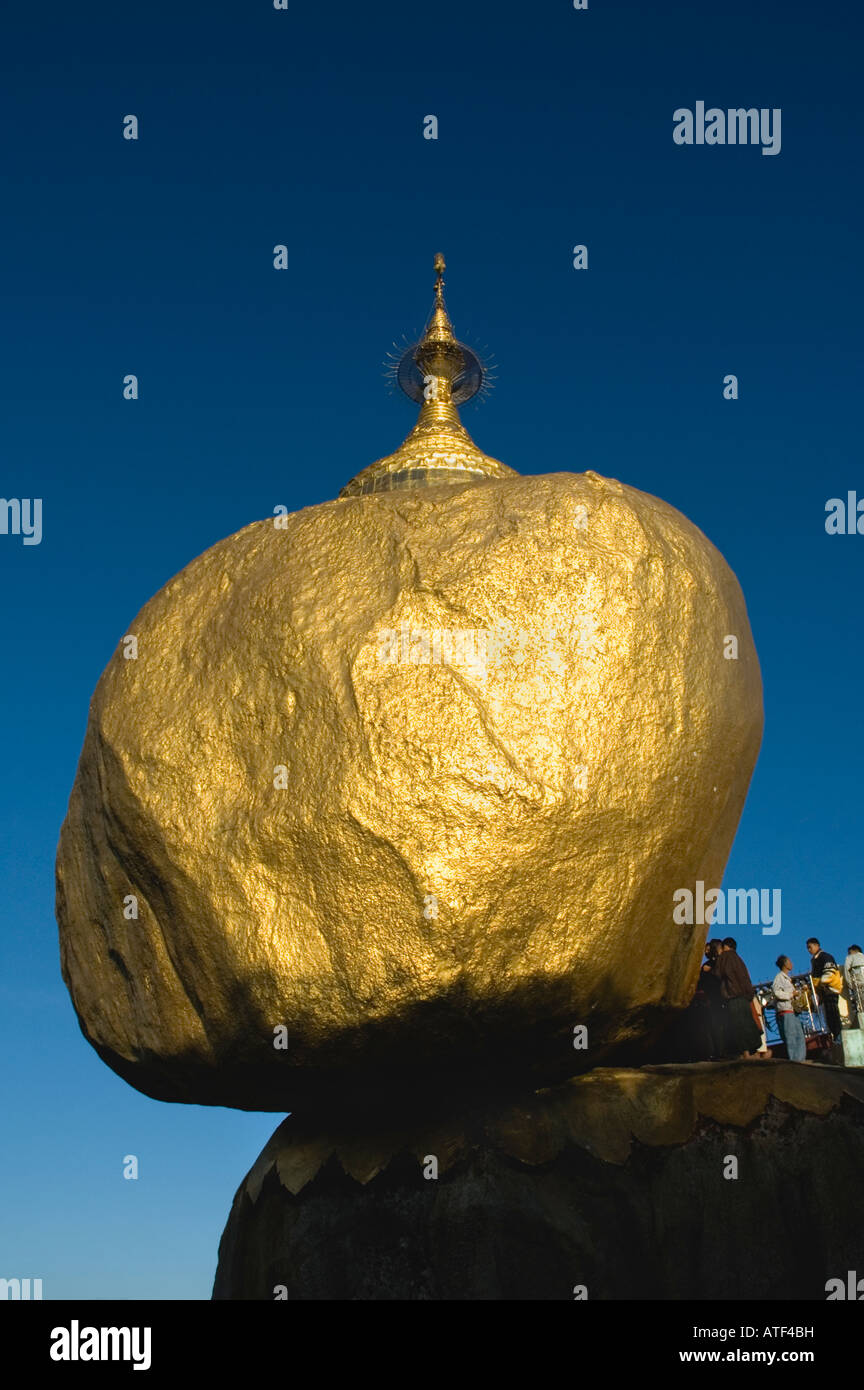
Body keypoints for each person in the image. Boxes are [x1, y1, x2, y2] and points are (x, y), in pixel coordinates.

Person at [714, 937, 763, 1058]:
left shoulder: (724, 957)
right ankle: (755, 1052)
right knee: (748, 1023)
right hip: (744, 996)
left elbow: (717, 974)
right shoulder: (739, 959)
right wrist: (749, 994)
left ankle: (745, 1053)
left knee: (738, 1025)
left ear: (725, 946)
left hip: (732, 996)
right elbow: (744, 978)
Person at [771, 955, 807, 1062]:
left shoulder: (787, 978)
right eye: (789, 961)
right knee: (791, 1037)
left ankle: (800, 1059)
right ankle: (795, 1060)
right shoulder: (779, 978)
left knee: (799, 1036)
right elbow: (777, 992)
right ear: (785, 964)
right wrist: (791, 994)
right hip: (786, 1011)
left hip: (792, 1010)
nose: (791, 963)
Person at [806, 937, 842, 1042]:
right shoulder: (814, 959)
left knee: (833, 1014)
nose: (809, 950)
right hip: (823, 992)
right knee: (829, 1016)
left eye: (810, 947)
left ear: (817, 945)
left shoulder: (825, 956)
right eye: (807, 948)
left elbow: (829, 973)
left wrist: (819, 982)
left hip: (830, 990)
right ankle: (835, 1037)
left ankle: (838, 1037)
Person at [700, 939, 727, 1058]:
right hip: (714, 998)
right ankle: (719, 1051)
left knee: (719, 1025)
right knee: (716, 1025)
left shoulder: (713, 964)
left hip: (719, 997)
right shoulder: (708, 965)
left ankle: (721, 1051)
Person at [844, 945, 864, 1022]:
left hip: (858, 980)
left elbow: (846, 970)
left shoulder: (850, 957)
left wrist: (850, 984)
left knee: (860, 1002)